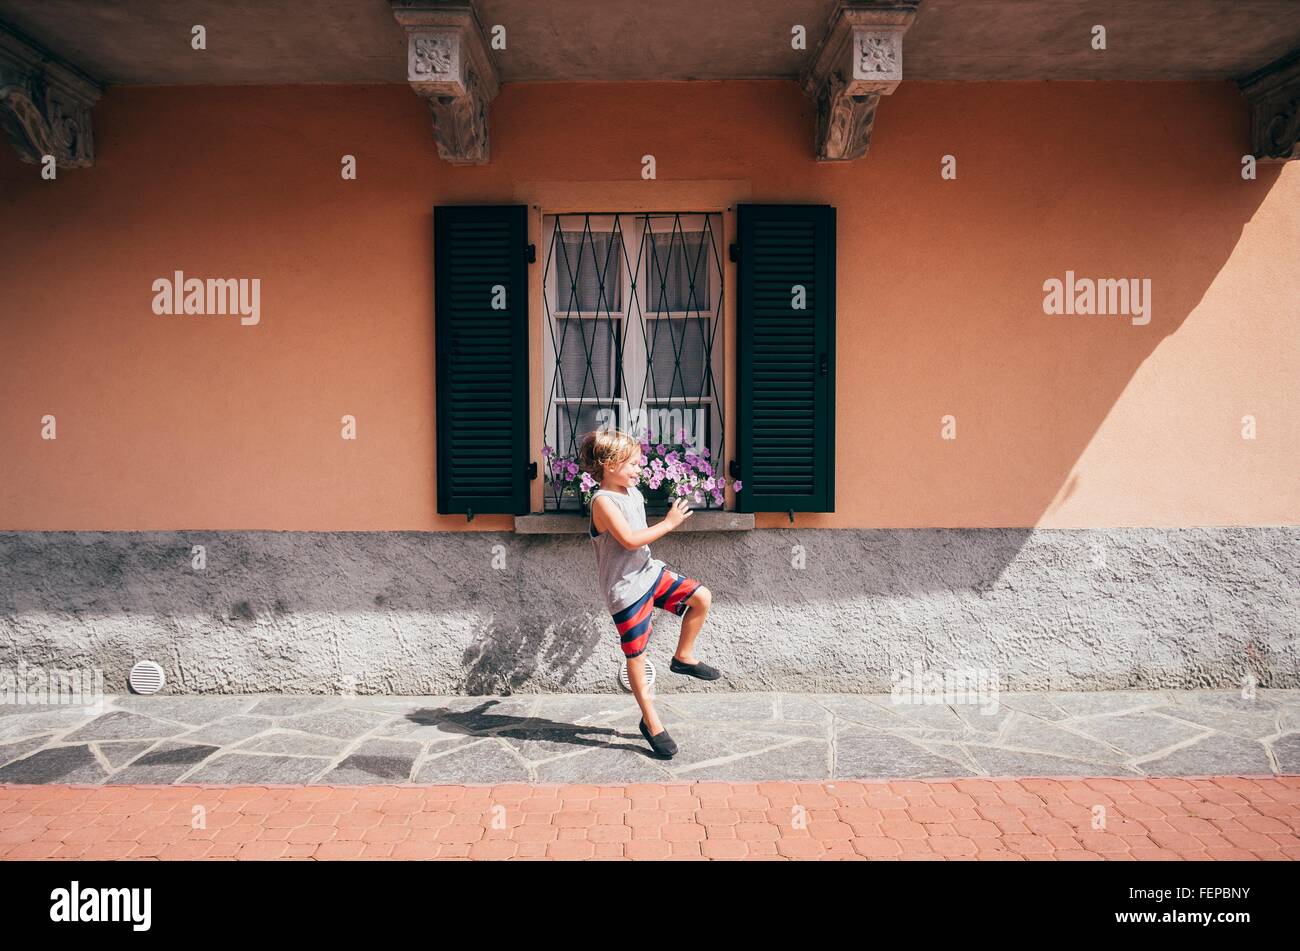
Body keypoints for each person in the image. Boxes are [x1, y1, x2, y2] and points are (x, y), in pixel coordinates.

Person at [578, 428, 721, 758]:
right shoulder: (602, 501)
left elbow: (638, 538)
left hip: (650, 573)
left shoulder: (632, 492)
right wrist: (670, 523)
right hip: (626, 590)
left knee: (701, 597)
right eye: (632, 464)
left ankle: (683, 657)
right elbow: (629, 539)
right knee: (637, 656)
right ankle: (651, 722)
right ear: (610, 465)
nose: (639, 470)